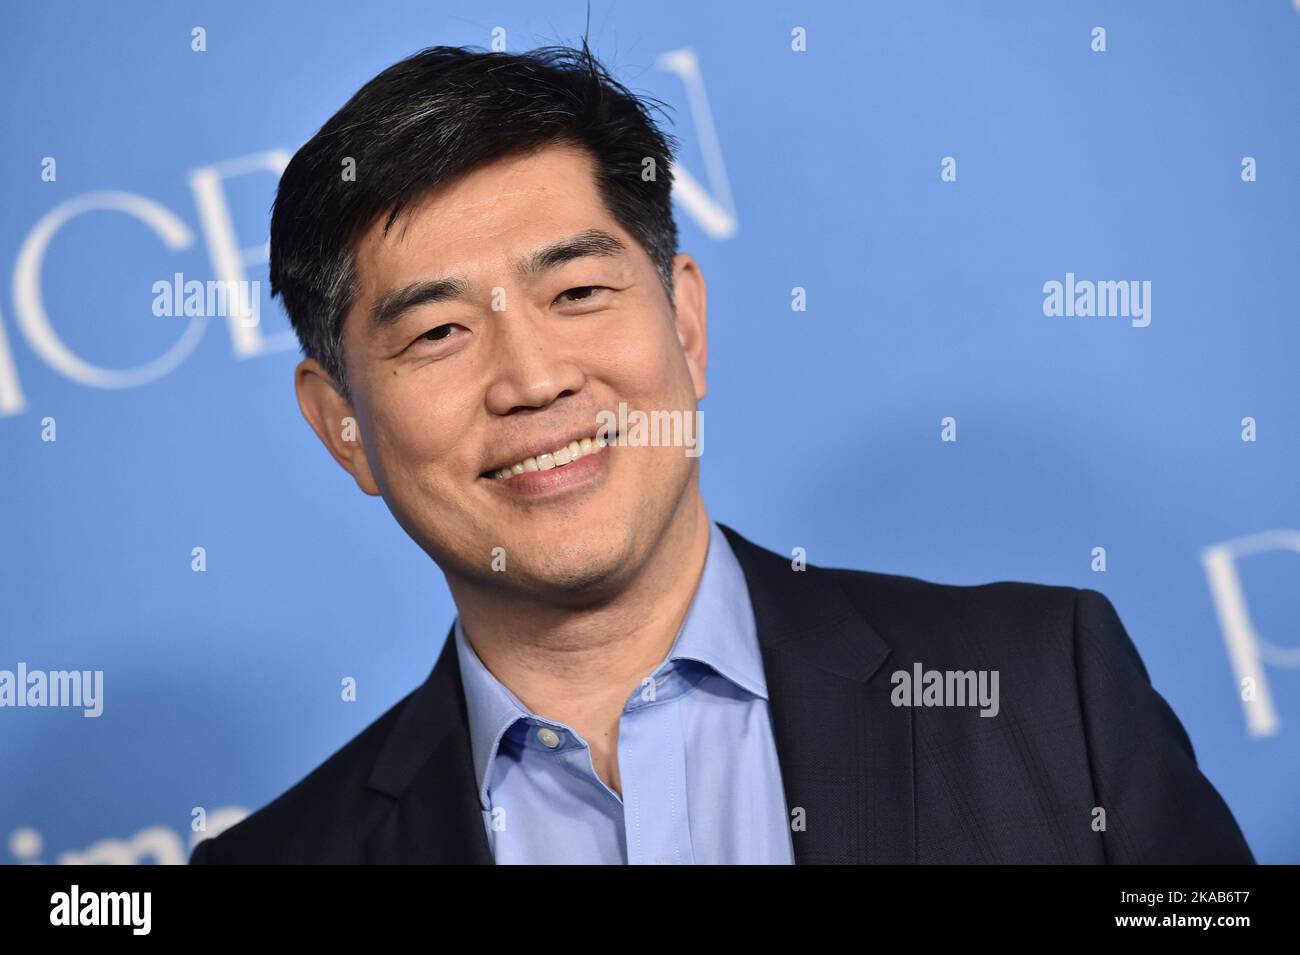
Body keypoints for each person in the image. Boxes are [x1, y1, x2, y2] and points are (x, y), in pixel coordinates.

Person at [190, 44, 1253, 864]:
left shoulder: (1041, 690)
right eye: (437, 333)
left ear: (685, 328)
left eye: (577, 293)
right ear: (342, 427)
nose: (532, 380)